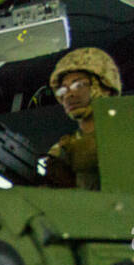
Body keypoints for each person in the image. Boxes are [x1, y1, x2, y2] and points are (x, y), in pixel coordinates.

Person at [42, 47, 123, 190]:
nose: (69, 95)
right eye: (63, 90)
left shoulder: (128, 137)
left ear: (104, 87)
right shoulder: (62, 149)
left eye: (78, 85)